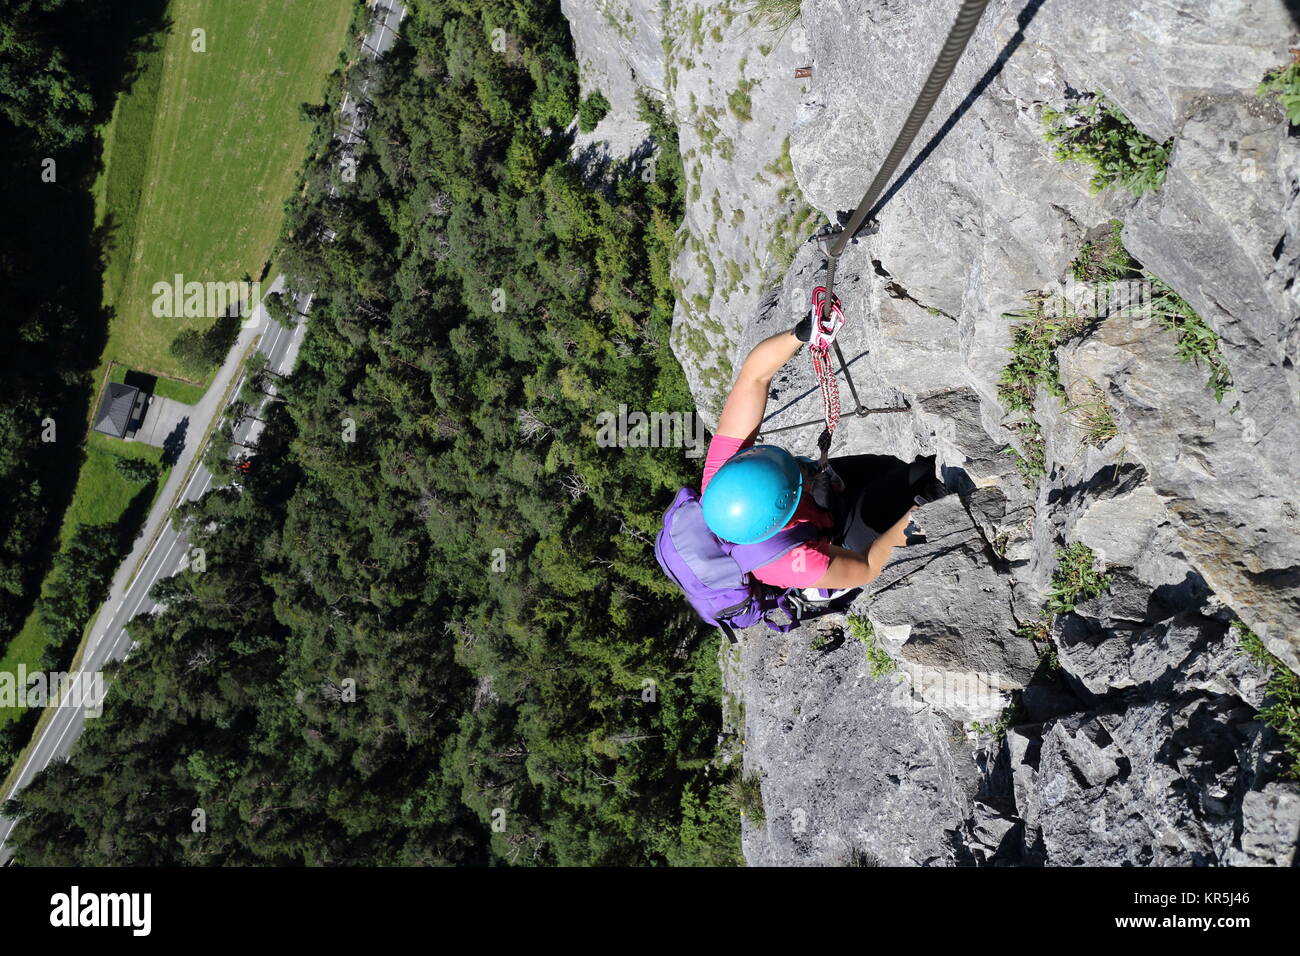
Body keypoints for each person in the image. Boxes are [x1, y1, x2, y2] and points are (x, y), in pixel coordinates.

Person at [701, 316, 942, 592]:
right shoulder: (786, 561)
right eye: (798, 473)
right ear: (785, 509)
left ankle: (903, 481)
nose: (802, 468)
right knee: (923, 482)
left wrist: (801, 333)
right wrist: (920, 514)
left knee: (894, 469)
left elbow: (754, 377)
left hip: (821, 491)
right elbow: (866, 568)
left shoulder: (726, 473)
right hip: (839, 537)